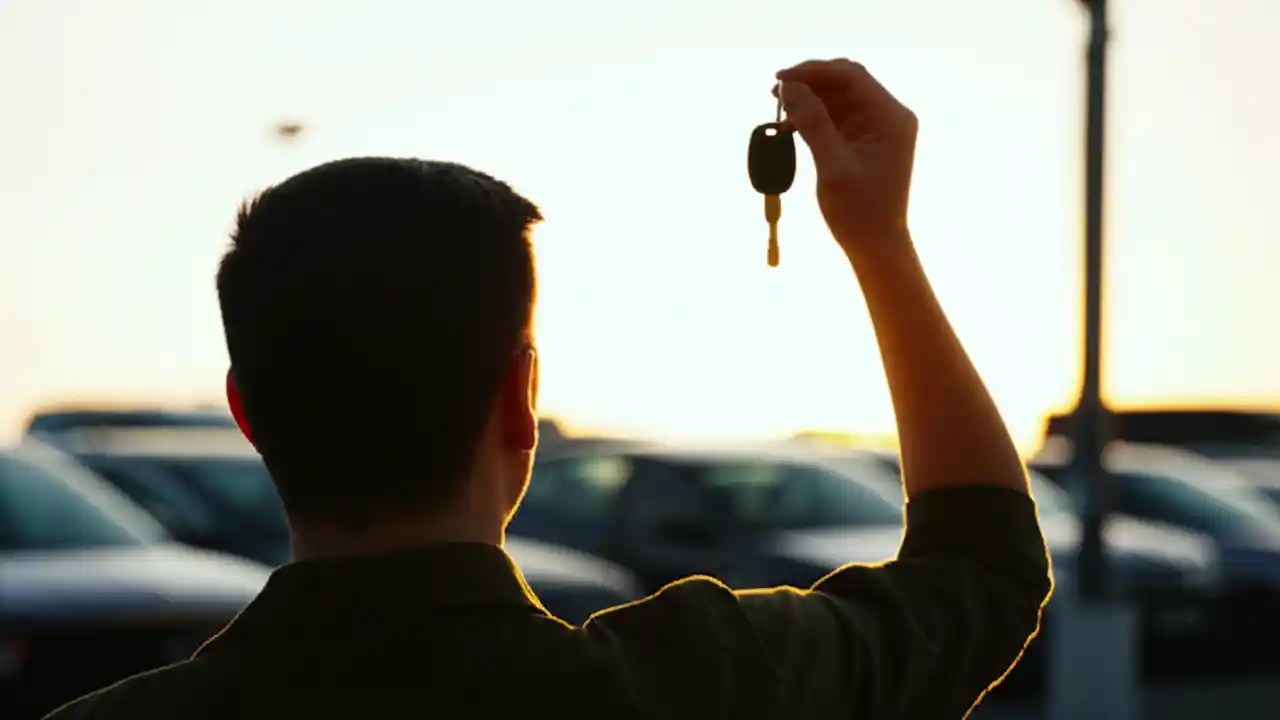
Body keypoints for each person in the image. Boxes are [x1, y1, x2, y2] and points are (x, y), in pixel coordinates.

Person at [46, 59, 1051, 719]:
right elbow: (982, 571)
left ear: (249, 415)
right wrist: (880, 244)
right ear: (519, 401)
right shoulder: (704, 682)